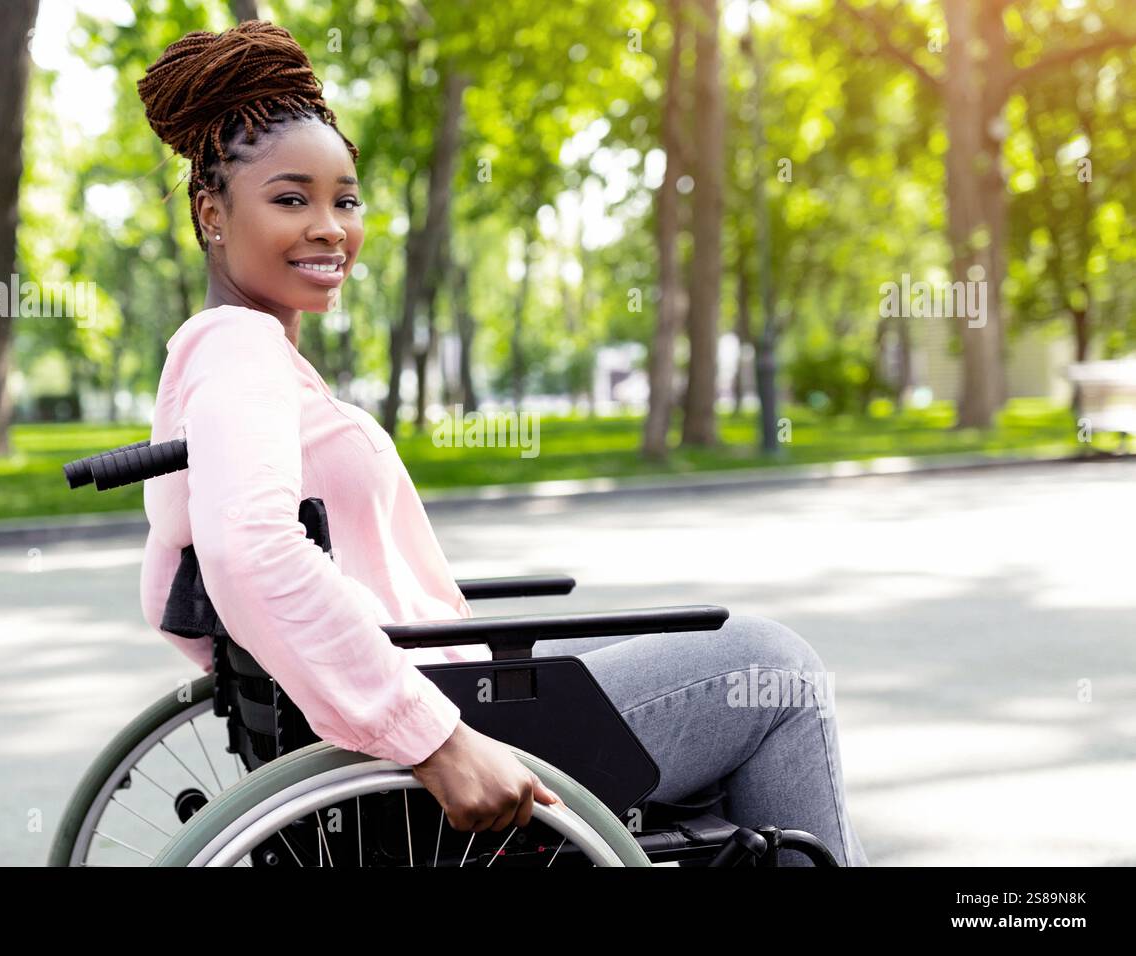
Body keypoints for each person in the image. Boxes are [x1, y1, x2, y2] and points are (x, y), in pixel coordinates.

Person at [135, 20, 867, 865]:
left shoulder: (238, 356)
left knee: (721, 642)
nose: (331, 226)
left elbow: (175, 592)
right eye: (291, 198)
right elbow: (247, 553)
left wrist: (292, 668)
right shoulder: (240, 352)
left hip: (425, 674)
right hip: (436, 712)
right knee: (776, 670)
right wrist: (434, 738)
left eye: (346, 198)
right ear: (212, 215)